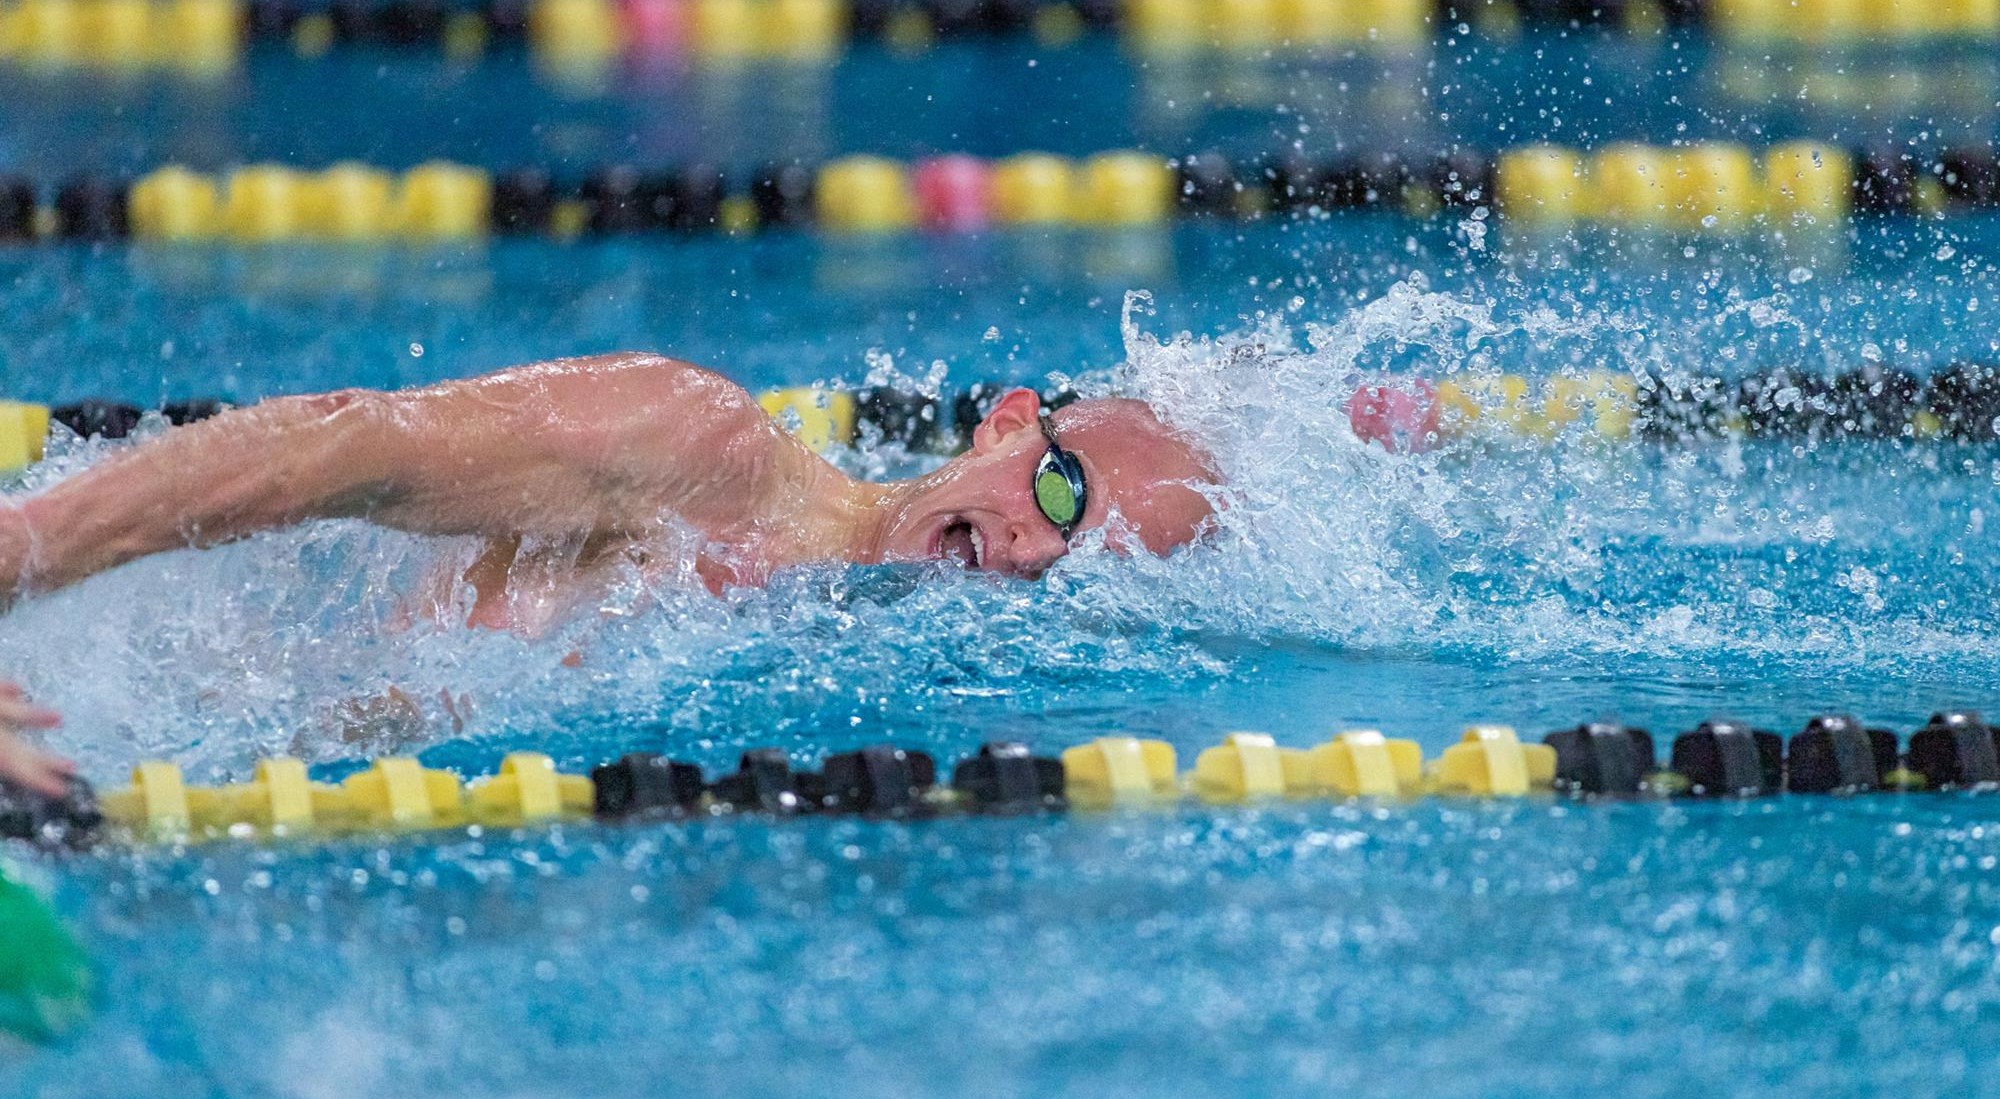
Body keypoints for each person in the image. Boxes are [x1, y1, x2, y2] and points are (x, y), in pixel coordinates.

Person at [0, 352, 1221, 795]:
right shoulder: (704, 456)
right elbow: (343, 444)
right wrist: (19, 550)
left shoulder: (881, 673)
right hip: (156, 733)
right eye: (1065, 497)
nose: (1032, 552)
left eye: (1081, 565)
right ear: (1006, 423)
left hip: (199, 773)